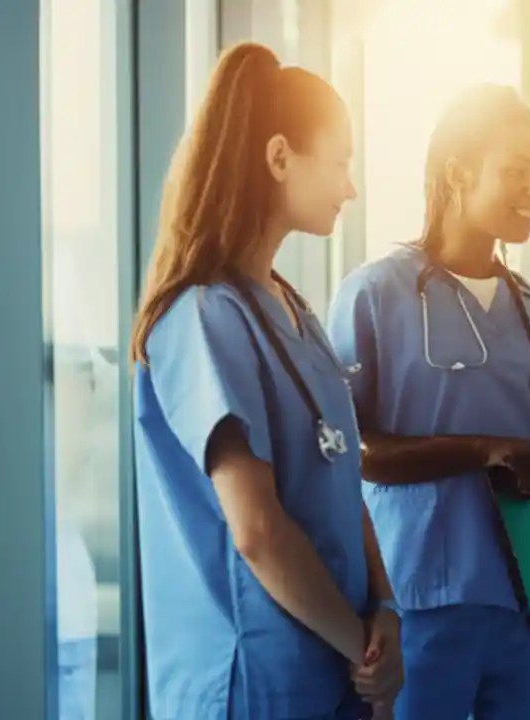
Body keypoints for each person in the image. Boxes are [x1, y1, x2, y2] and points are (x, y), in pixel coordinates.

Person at [131, 43, 403, 720]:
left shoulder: (294, 312)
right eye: (339, 161)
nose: (350, 186)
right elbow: (255, 529)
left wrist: (387, 612)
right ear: (280, 157)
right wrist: (361, 651)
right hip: (254, 685)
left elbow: (341, 485)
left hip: (330, 672)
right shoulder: (202, 318)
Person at [327, 84, 530, 720]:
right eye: (517, 171)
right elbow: (352, 450)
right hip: (421, 597)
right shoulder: (374, 294)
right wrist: (486, 450)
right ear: (458, 173)